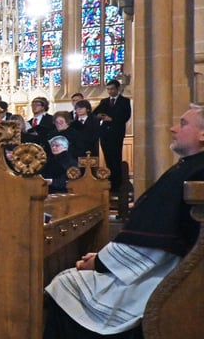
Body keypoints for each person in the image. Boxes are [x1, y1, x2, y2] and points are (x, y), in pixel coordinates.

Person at [44, 105, 204, 338]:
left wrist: (100, 262)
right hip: (153, 264)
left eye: (183, 123)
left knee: (65, 286)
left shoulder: (196, 172)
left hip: (165, 273)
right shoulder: (190, 167)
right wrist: (103, 259)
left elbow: (157, 237)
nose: (172, 129)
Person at [92, 80, 132, 192]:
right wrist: (99, 116)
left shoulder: (124, 101)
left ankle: (118, 183)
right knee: (108, 157)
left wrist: (112, 119)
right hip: (105, 133)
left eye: (112, 89)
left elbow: (126, 116)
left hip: (116, 132)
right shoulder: (104, 101)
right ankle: (110, 181)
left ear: (118, 89)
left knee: (116, 157)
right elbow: (95, 113)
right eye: (108, 89)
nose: (110, 91)